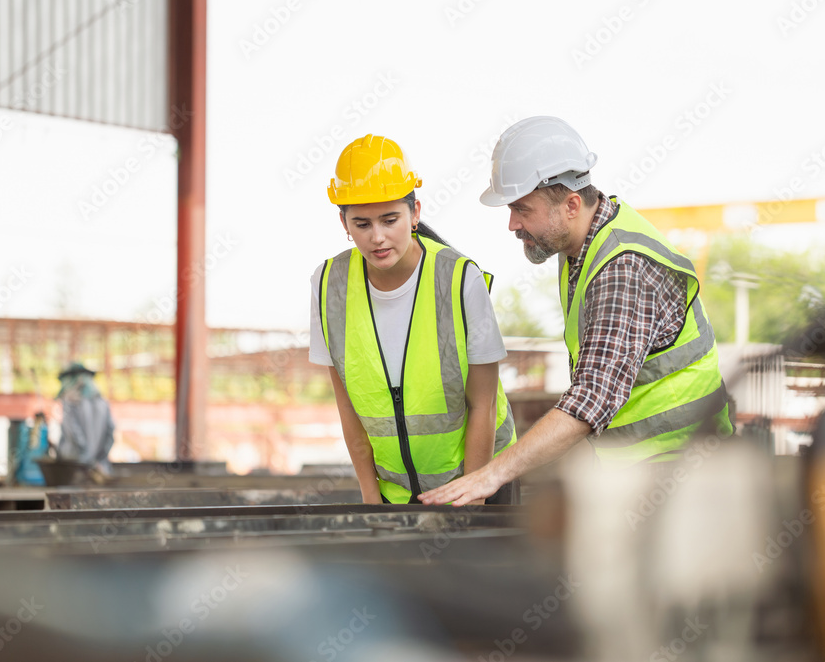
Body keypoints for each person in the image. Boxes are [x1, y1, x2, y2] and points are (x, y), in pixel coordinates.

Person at [420, 116, 733, 506]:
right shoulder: (581, 249)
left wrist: (490, 476)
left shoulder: (622, 267)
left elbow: (589, 401)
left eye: (522, 209)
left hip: (686, 482)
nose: (512, 224)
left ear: (571, 204)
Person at [309, 134, 518, 505]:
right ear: (343, 222)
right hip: (396, 497)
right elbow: (348, 411)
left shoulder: (459, 280)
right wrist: (372, 501)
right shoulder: (329, 287)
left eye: (390, 220)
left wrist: (473, 499)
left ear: (415, 212)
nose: (377, 237)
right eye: (361, 224)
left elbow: (482, 405)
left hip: (483, 485)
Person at [55, 362, 115, 476]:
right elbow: (110, 432)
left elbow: (73, 433)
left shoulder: (71, 402)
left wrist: (85, 458)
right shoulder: (103, 403)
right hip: (96, 467)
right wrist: (99, 459)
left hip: (74, 468)